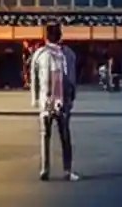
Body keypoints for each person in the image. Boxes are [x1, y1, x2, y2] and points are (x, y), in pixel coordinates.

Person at [30, 22, 79, 182]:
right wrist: (72, 98)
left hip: (45, 103)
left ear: (46, 36)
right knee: (65, 136)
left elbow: (34, 79)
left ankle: (45, 169)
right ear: (60, 35)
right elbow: (71, 79)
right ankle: (67, 170)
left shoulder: (38, 54)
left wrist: (36, 99)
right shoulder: (68, 54)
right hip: (62, 102)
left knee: (45, 136)